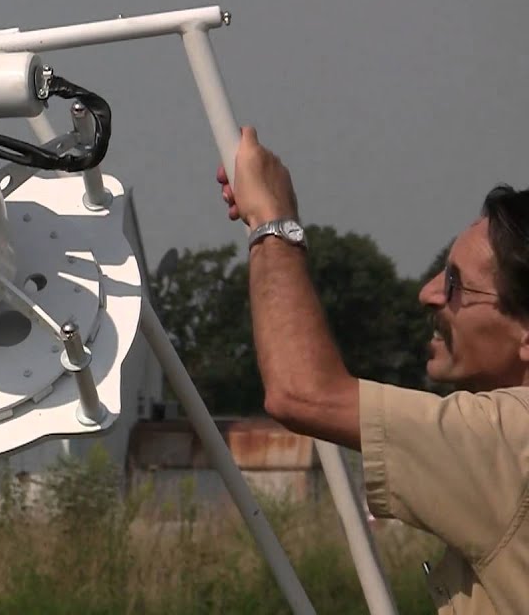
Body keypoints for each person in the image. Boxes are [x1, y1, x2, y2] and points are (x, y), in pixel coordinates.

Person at [218, 126, 529, 614]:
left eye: (456, 285)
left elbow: (301, 393)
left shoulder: (510, 438)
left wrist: (273, 223)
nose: (428, 293)